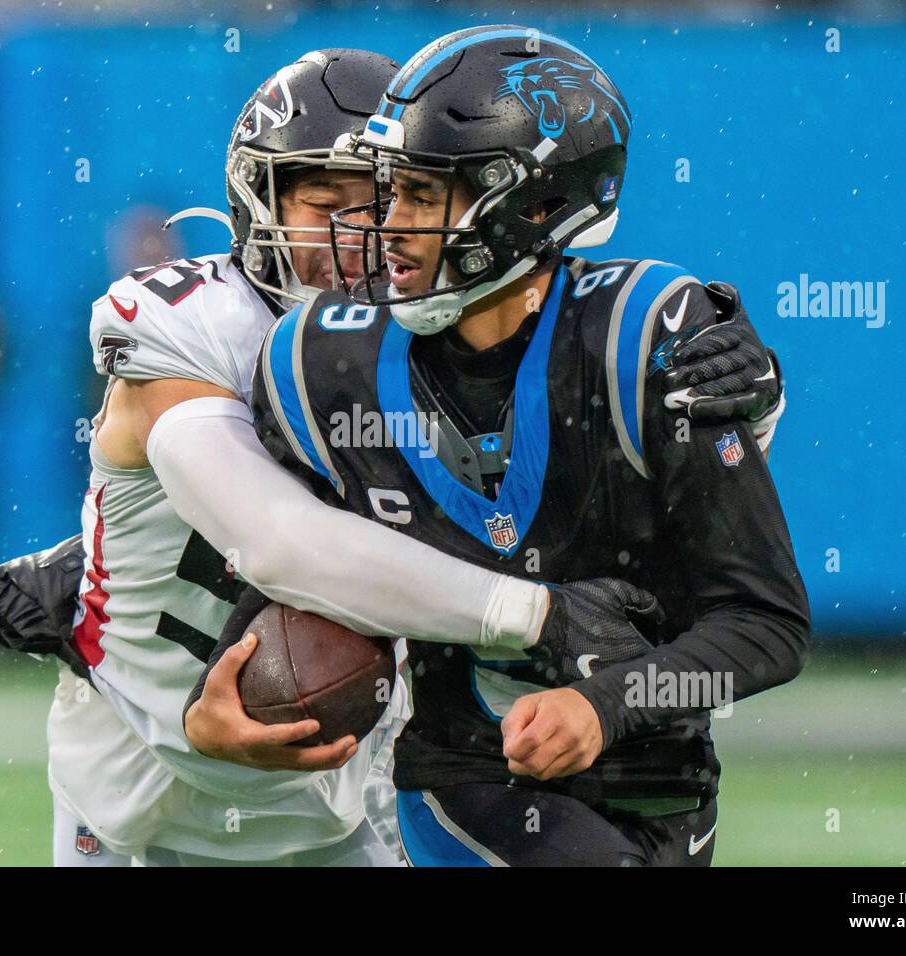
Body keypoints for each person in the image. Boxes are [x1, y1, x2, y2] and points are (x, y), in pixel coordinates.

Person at [188, 26, 807, 866]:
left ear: (537, 205)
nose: (387, 227)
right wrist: (224, 680)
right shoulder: (324, 362)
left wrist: (608, 705)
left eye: (422, 194)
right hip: (465, 781)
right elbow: (295, 566)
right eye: (388, 190)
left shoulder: (644, 343)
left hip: (666, 782)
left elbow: (766, 624)